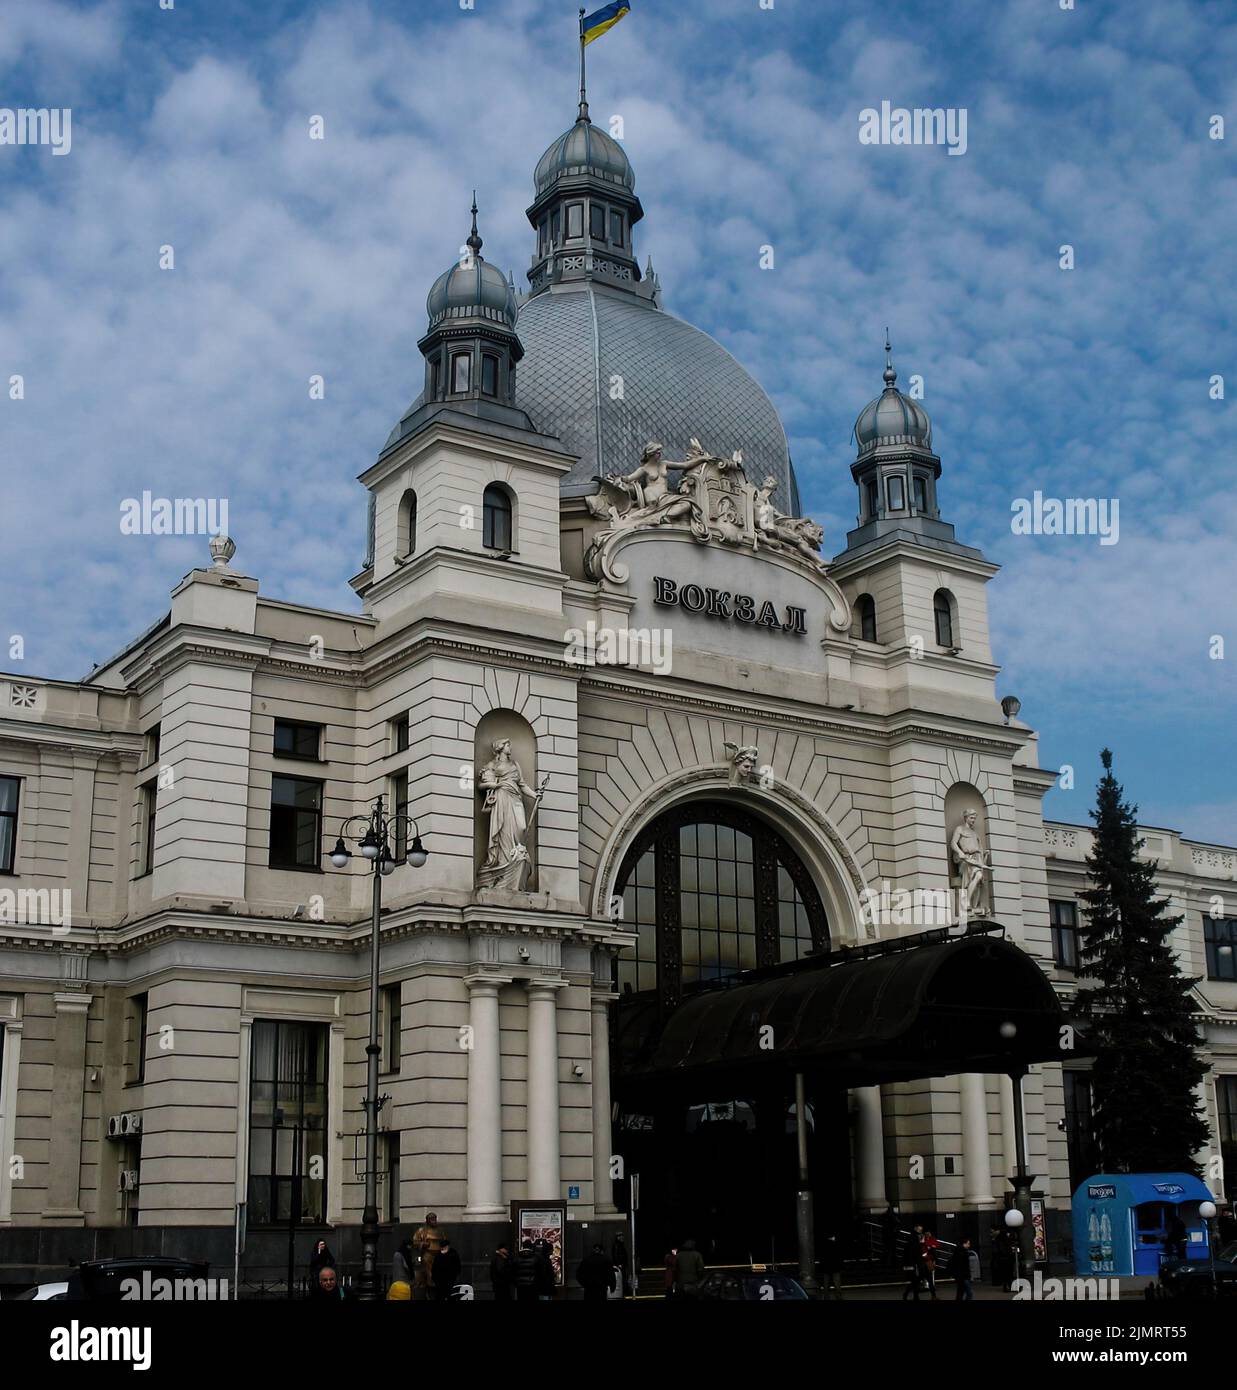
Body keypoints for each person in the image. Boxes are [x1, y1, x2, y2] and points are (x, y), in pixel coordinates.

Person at [412, 1212, 444, 1301]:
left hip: (438, 1257)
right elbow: (415, 1243)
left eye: (435, 1219)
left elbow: (444, 1242)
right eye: (432, 1219)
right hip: (426, 1256)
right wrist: (422, 1244)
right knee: (427, 1277)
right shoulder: (422, 1231)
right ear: (427, 1221)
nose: (434, 1221)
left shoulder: (440, 1231)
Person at [432, 1236, 461, 1301]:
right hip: (440, 1280)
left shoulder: (453, 1254)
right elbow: (435, 1267)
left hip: (449, 1279)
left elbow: (457, 1265)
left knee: (450, 1295)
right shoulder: (439, 1254)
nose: (442, 1248)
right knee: (440, 1295)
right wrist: (434, 1278)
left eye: (444, 1247)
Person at [901, 1224, 926, 1301]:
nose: (920, 1232)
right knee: (916, 1280)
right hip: (914, 1263)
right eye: (919, 1230)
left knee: (915, 1280)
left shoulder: (912, 1238)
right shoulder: (914, 1238)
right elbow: (915, 1252)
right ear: (916, 1229)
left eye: (921, 1230)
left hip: (913, 1263)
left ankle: (913, 1295)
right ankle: (912, 1295)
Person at [819, 1230, 844, 1300]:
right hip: (834, 1265)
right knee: (836, 1283)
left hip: (828, 1265)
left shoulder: (824, 1243)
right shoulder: (835, 1243)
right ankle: (837, 1297)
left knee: (827, 1283)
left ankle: (827, 1297)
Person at [922, 1227, 940, 1300]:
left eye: (928, 1233)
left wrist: (931, 1246)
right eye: (926, 1234)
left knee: (930, 1278)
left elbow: (936, 1245)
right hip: (925, 1262)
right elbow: (924, 1253)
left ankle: (933, 1295)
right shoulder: (923, 1243)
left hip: (929, 1261)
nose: (928, 1235)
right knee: (927, 1278)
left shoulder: (931, 1239)